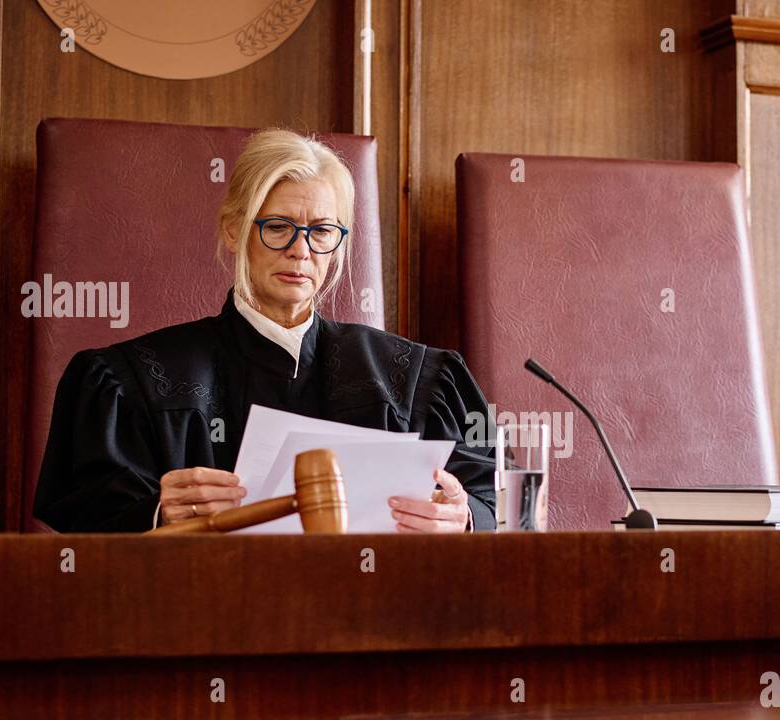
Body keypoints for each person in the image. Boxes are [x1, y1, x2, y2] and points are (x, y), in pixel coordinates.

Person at [34, 129, 495, 533]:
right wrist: (157, 512)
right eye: (278, 227)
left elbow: (491, 493)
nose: (301, 251)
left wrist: (463, 516)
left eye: (321, 231)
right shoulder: (132, 380)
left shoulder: (414, 379)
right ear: (233, 232)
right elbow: (84, 517)